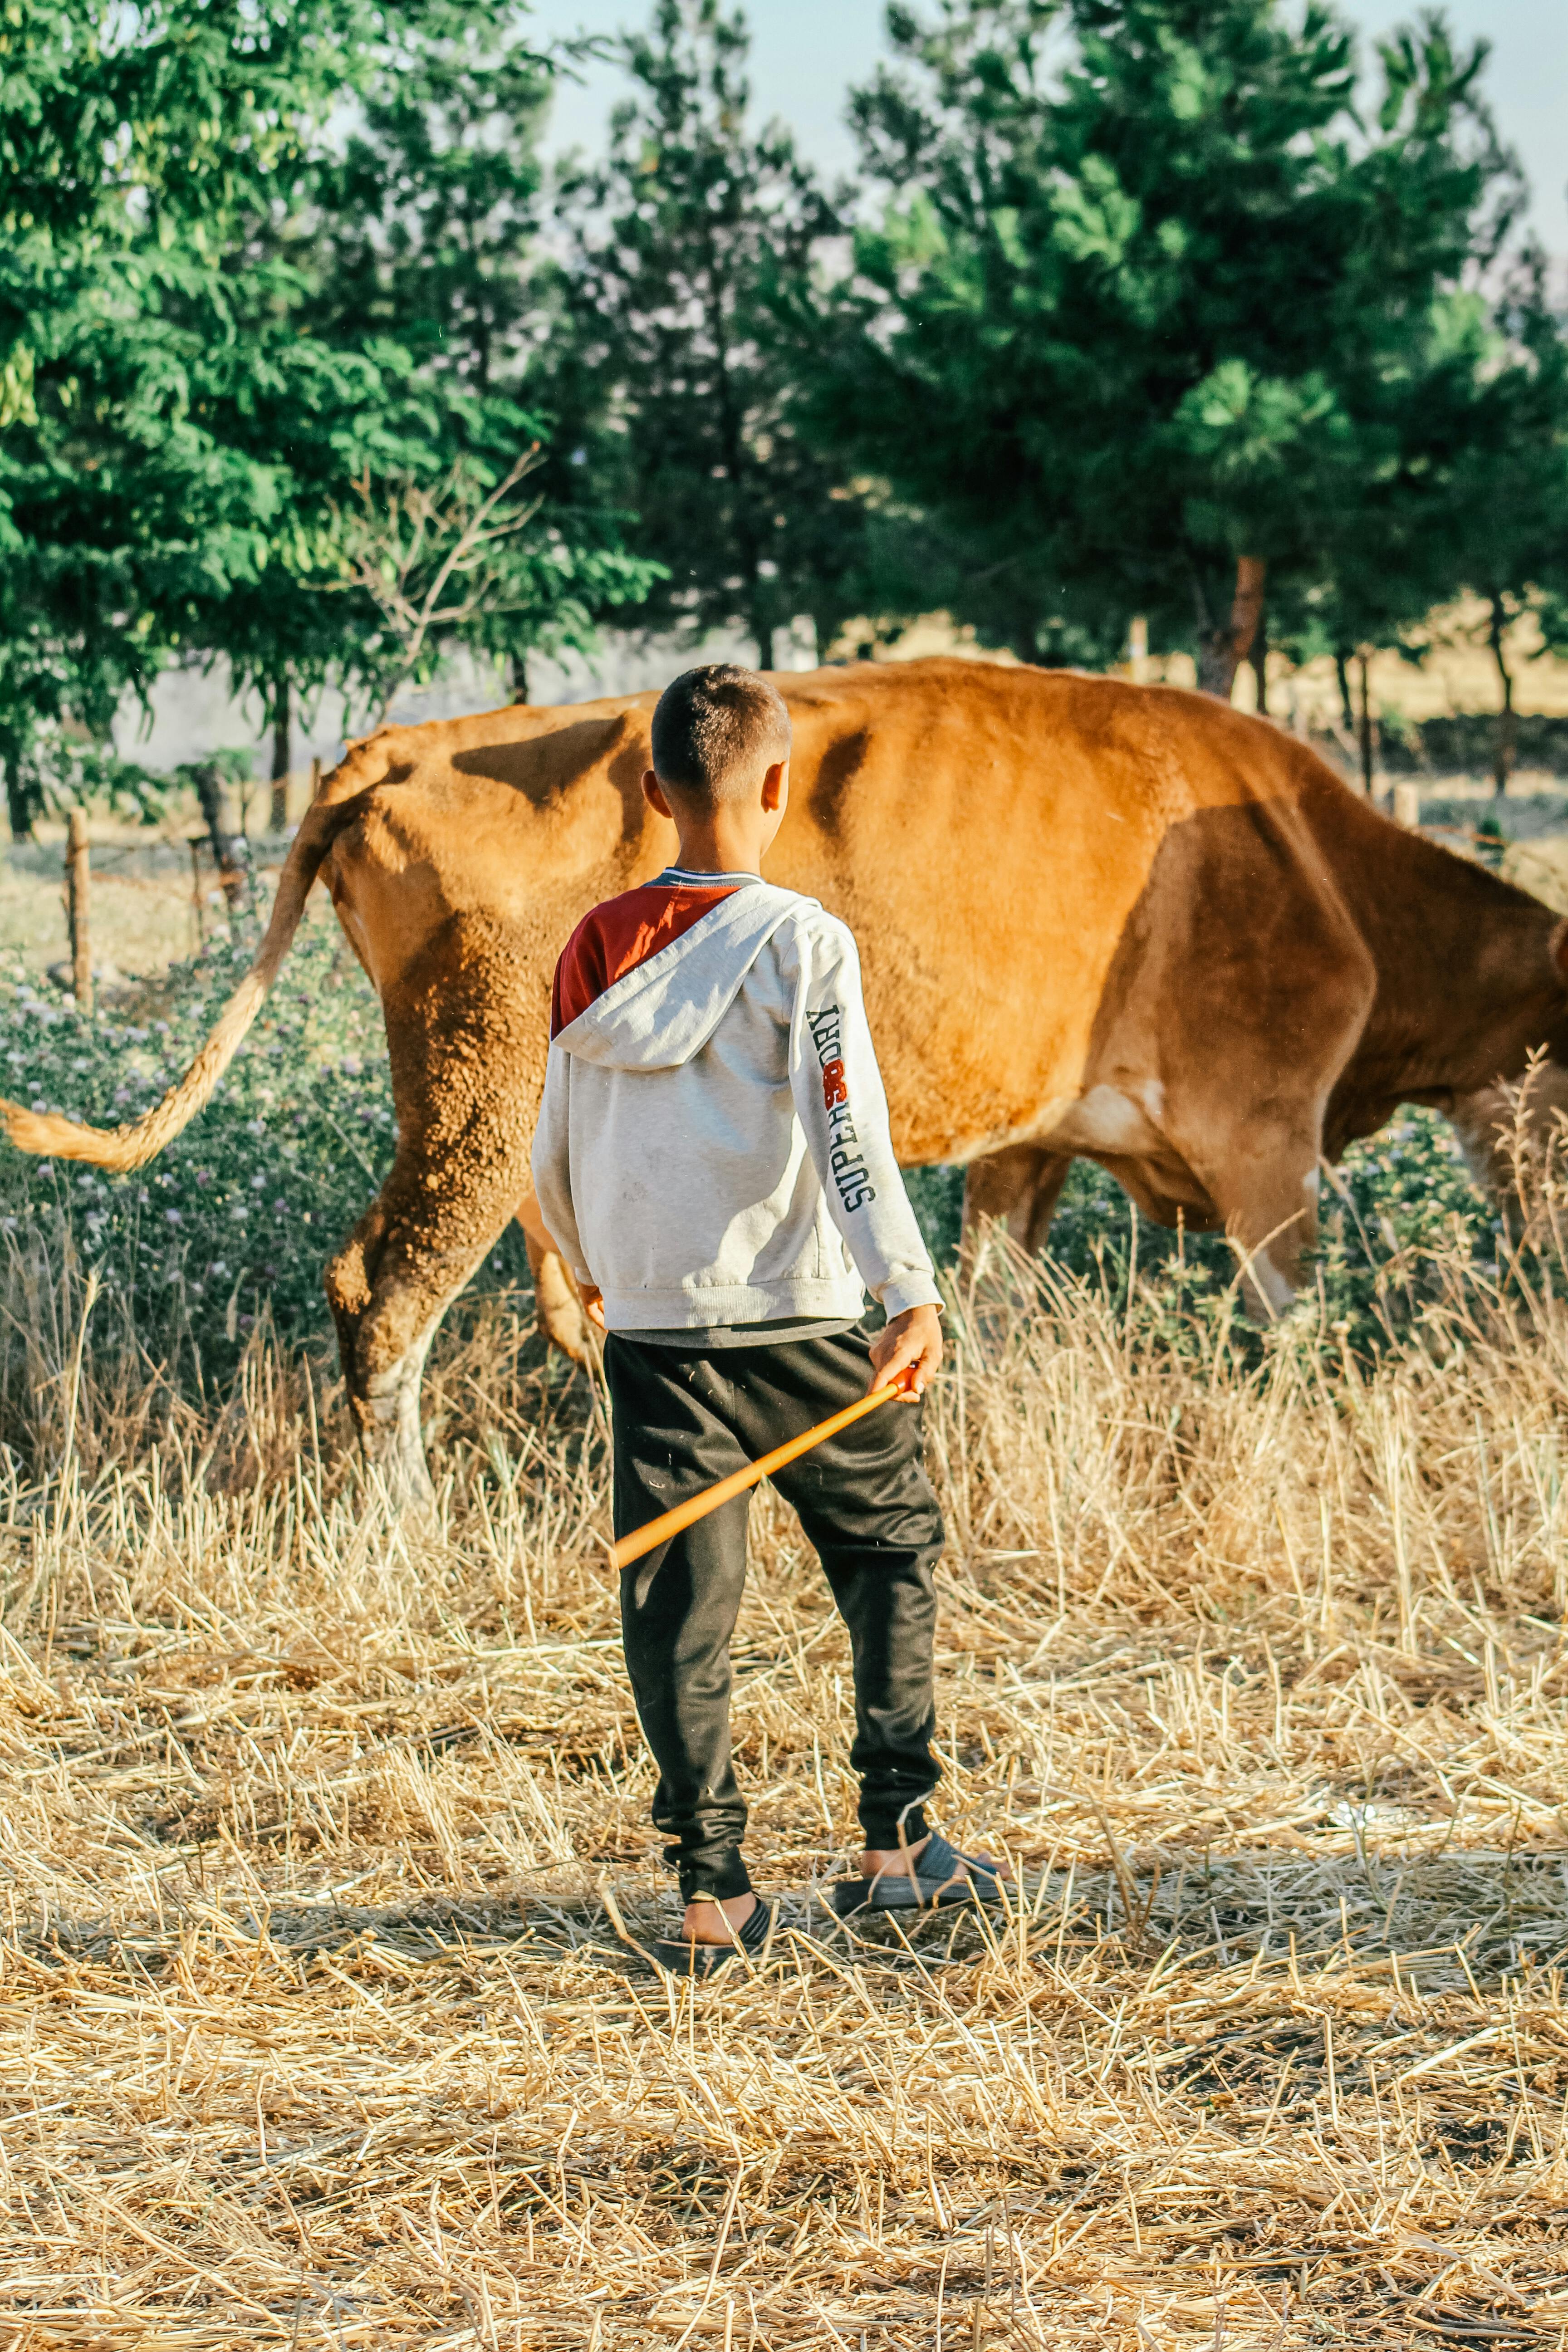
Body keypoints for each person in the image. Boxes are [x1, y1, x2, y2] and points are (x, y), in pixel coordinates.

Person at [531, 662, 1006, 1975]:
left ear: (652, 794)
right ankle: (899, 1841)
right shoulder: (804, 942)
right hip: (798, 1322)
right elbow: (850, 1129)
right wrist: (907, 1287)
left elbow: (552, 1149)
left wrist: (591, 1266)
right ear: (783, 786)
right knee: (892, 1547)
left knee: (680, 1605)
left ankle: (713, 1893)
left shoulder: (590, 949)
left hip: (657, 1337)